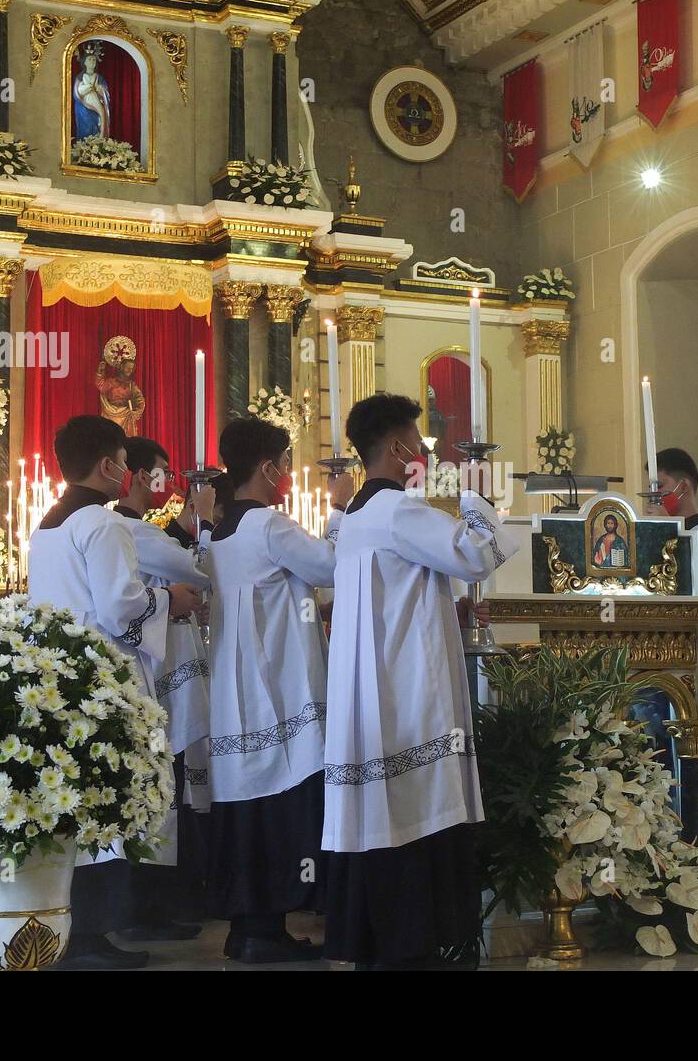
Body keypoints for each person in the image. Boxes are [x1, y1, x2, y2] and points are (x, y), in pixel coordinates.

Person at [323, 393, 519, 970]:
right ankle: (423, 946)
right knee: (421, 812)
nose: (425, 451)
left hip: (373, 694)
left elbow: (397, 591)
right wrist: (479, 494)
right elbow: (475, 555)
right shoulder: (399, 511)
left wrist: (447, 610)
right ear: (395, 446)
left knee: (387, 818)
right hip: (409, 690)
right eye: (419, 440)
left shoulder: (355, 517)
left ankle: (382, 946)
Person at [27, 415, 202, 969]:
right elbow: (119, 606)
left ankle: (83, 932)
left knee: (83, 807)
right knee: (109, 805)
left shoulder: (48, 525)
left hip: (65, 677)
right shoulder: (101, 526)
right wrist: (171, 598)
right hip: (107, 682)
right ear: (107, 466)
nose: (129, 476)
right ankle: (90, 938)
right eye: (126, 465)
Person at [204, 417, 354, 962]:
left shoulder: (220, 530)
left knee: (250, 805)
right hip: (279, 689)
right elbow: (334, 566)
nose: (288, 472)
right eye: (285, 462)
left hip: (236, 691)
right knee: (284, 802)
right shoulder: (269, 525)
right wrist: (340, 508)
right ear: (267, 467)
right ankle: (264, 933)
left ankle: (250, 928)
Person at [111, 436, 215, 941]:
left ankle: (163, 903)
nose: (166, 483)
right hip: (157, 676)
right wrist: (202, 516)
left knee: (170, 787)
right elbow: (195, 568)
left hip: (165, 672)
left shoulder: (139, 530)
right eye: (158, 473)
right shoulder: (129, 529)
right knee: (162, 788)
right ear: (131, 475)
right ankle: (150, 908)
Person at [645, 447, 698, 530]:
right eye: (651, 489)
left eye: (659, 486)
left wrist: (667, 527)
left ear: (684, 486)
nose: (652, 495)